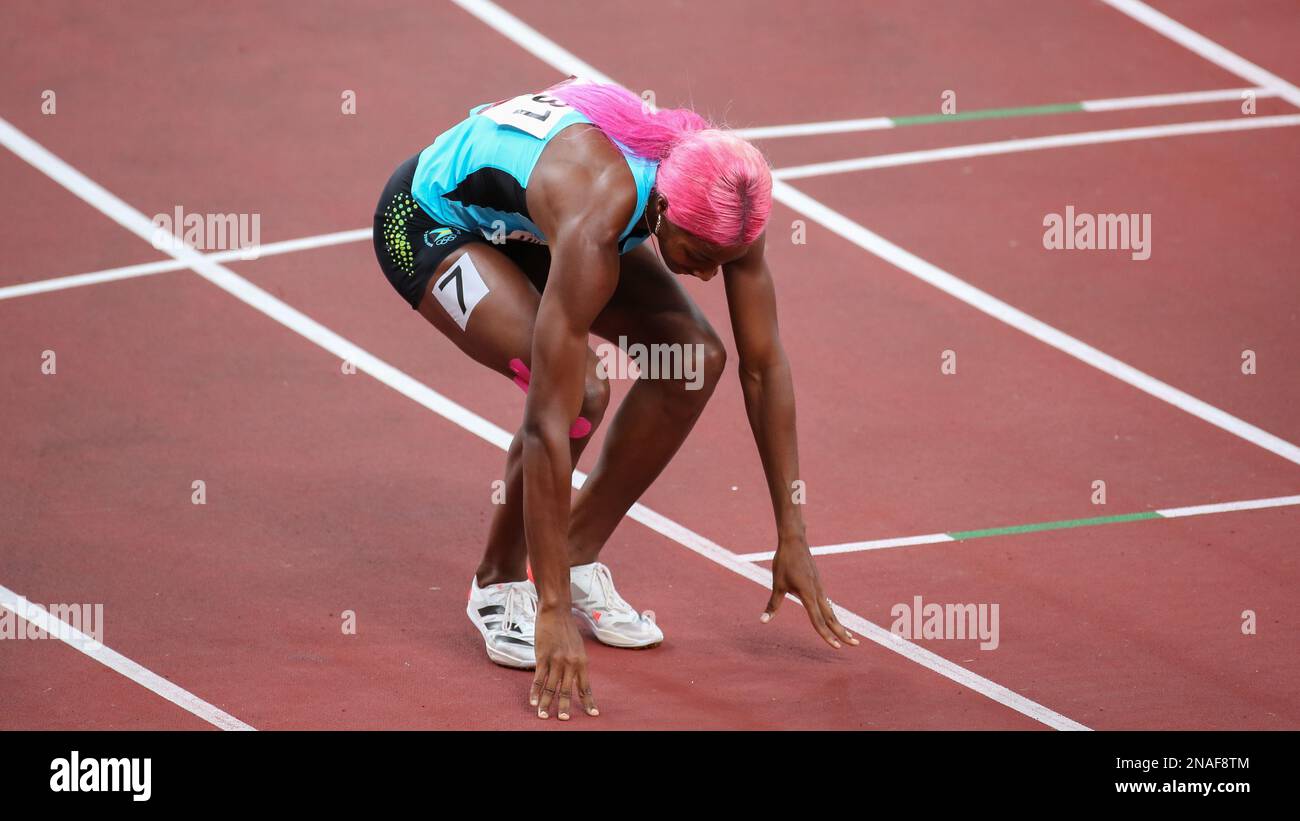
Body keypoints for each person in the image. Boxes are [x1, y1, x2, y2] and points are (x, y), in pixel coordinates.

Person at [371, 77, 858, 721]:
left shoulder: (730, 196)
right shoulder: (601, 208)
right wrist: (550, 617)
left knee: (693, 359)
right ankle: (498, 586)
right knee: (579, 396)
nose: (712, 273)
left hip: (540, 227)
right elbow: (548, 423)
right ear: (662, 215)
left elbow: (763, 366)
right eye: (701, 256)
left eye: (726, 260)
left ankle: (570, 558)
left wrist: (791, 534)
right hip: (434, 224)